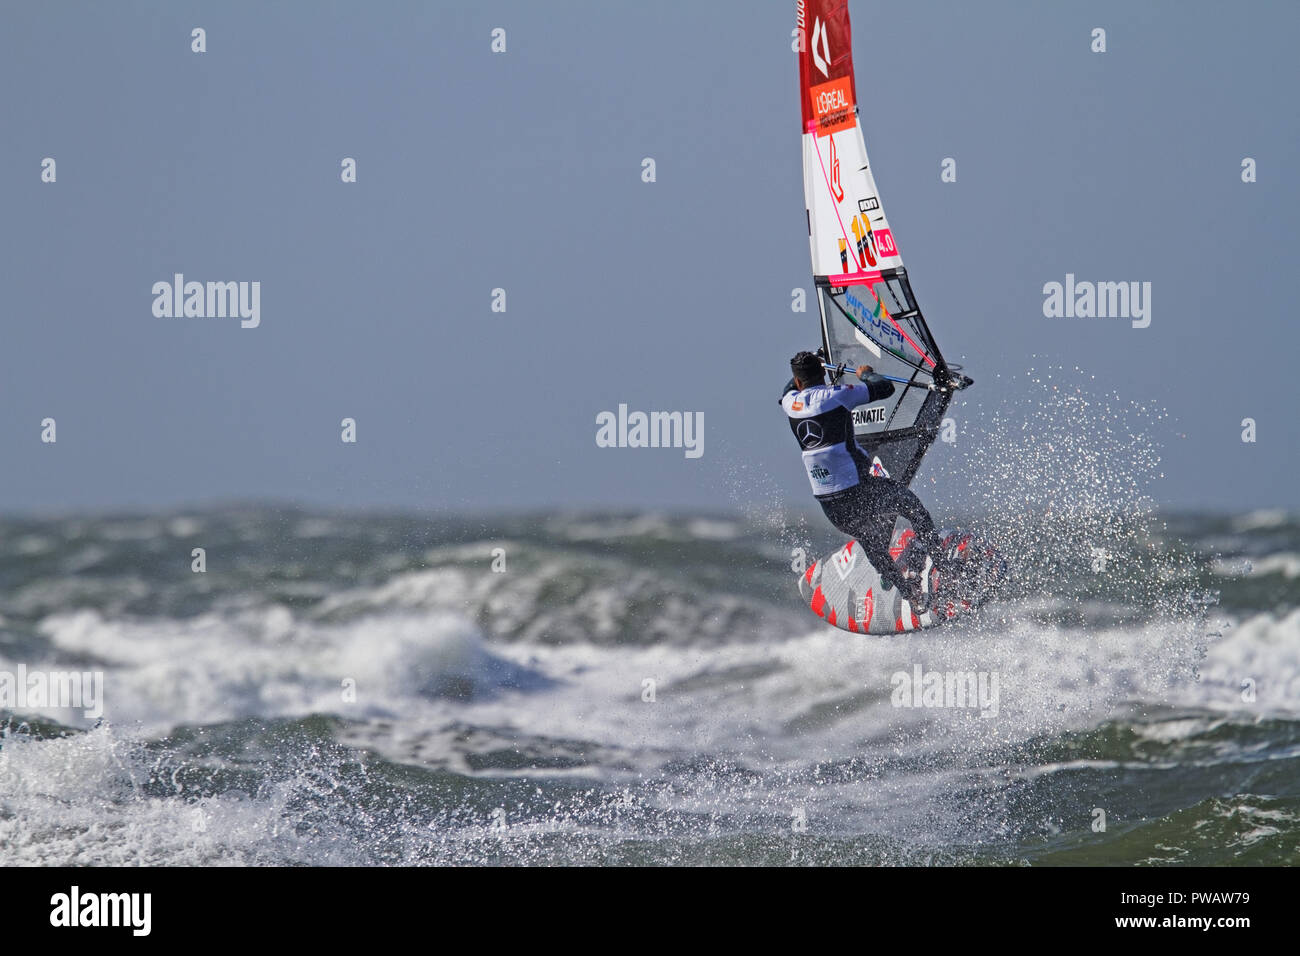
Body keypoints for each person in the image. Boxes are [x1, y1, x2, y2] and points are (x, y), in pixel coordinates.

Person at [780, 349, 943, 608]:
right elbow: (884, 388)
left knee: (869, 538)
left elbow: (789, 390)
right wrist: (865, 374)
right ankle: (944, 565)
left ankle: (909, 593)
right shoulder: (837, 396)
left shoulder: (790, 403)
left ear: (798, 382)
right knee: (912, 507)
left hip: (829, 505)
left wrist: (812, 362)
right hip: (858, 491)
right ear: (823, 373)